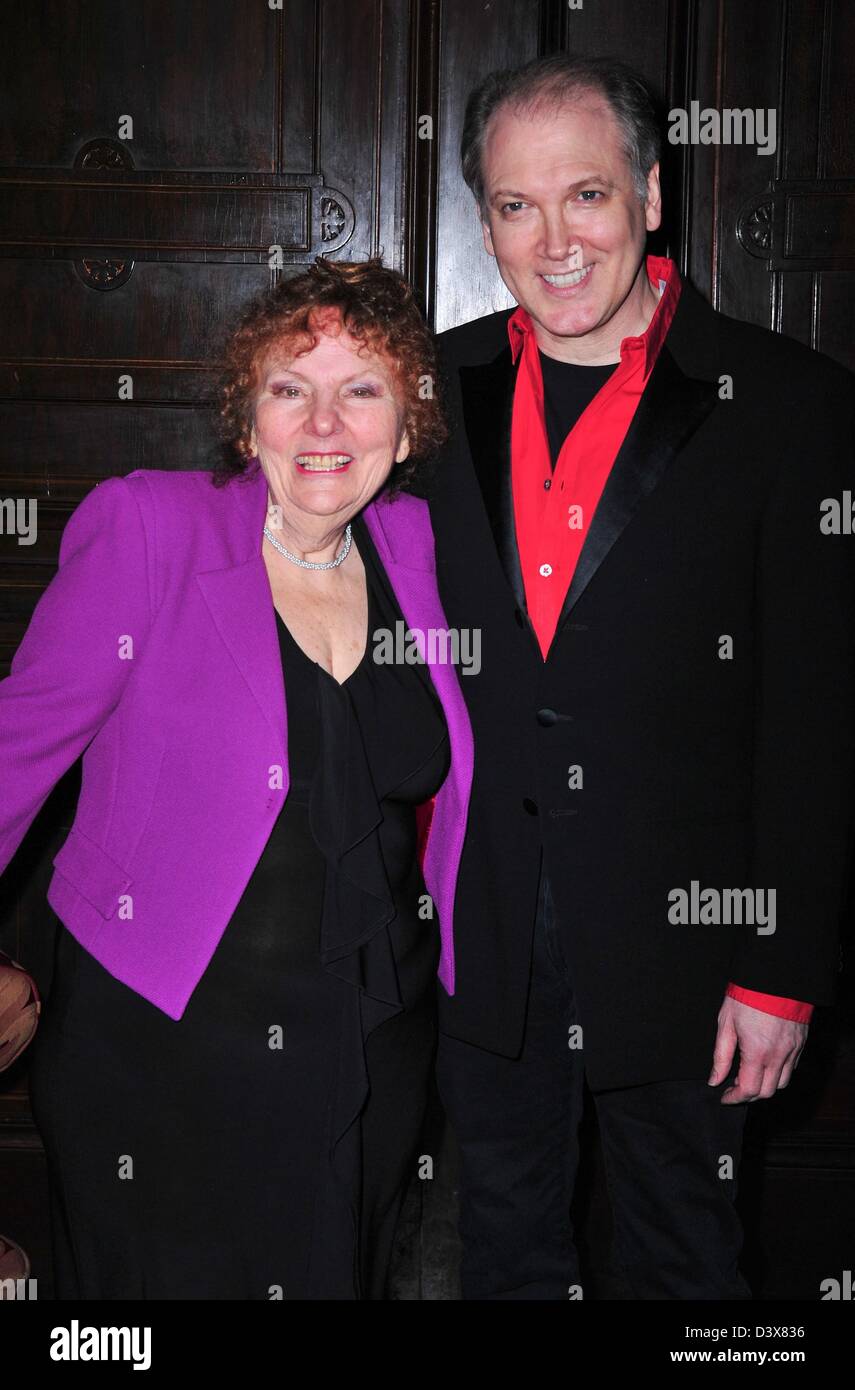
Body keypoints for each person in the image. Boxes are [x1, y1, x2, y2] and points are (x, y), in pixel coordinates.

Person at [426, 54, 855, 1299]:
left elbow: (816, 720)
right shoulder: (431, 394)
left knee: (687, 1262)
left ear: (652, 196)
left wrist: (781, 967)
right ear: (486, 218)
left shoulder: (790, 404)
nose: (555, 240)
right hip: (489, 926)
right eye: (516, 205)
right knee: (501, 1245)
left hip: (693, 949)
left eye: (588, 196)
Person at [0, 257, 474, 1300]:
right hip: (164, 1045)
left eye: (362, 391)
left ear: (403, 432)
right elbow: (13, 749)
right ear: (245, 415)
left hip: (372, 1036)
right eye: (289, 386)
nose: (323, 424)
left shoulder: (416, 545)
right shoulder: (151, 529)